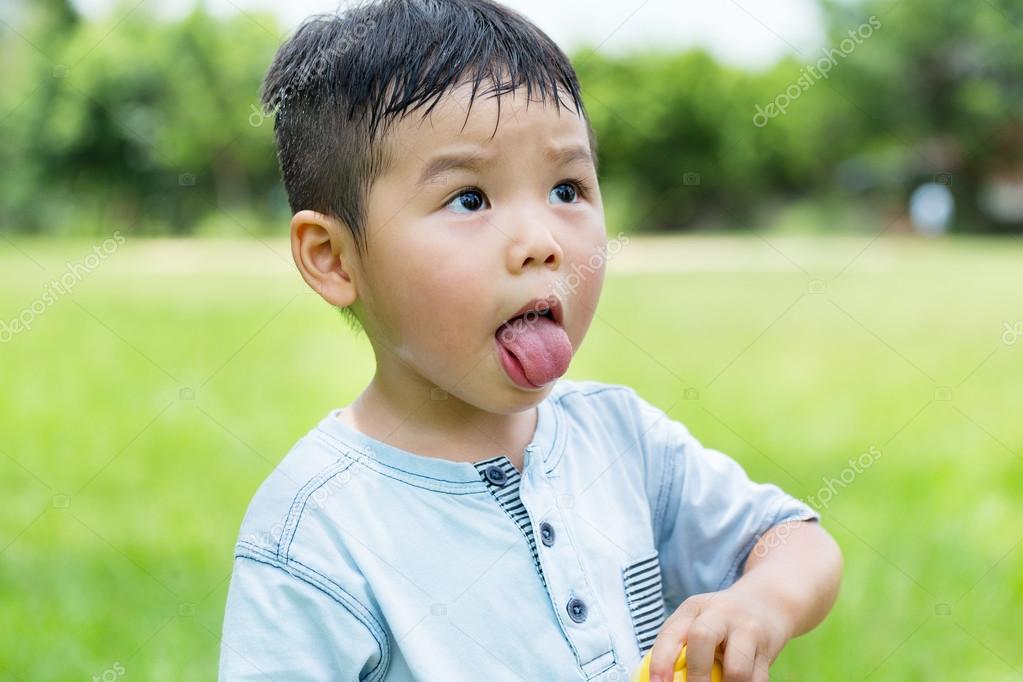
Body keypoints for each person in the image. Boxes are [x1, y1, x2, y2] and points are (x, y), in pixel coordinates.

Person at [218, 1, 843, 680]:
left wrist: (760, 602)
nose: (541, 243)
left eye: (566, 188)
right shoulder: (319, 531)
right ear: (335, 259)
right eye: (469, 199)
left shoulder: (619, 438)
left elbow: (792, 542)